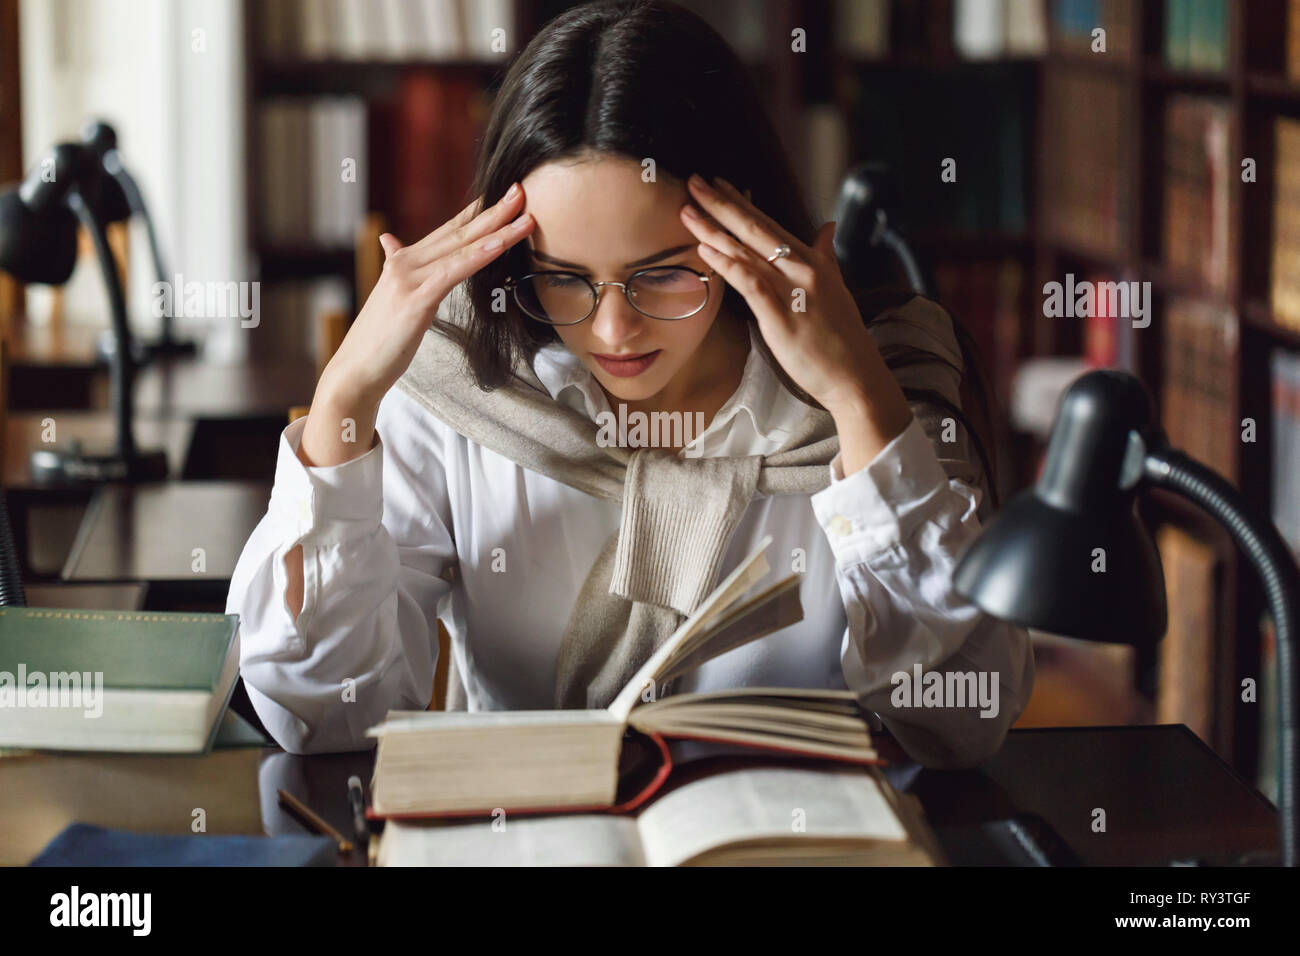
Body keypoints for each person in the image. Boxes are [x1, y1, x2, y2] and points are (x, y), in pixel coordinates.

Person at [226, 0, 1033, 763]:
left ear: (745, 225)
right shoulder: (466, 389)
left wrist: (860, 405)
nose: (612, 331)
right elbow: (327, 719)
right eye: (564, 278)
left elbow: (966, 721)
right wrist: (343, 401)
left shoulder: (882, 375)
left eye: (661, 275)